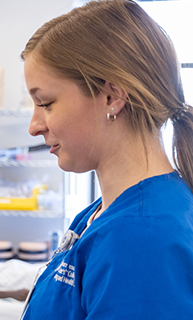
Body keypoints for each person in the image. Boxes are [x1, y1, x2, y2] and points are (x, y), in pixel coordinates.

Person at [20, 0, 193, 318]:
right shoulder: (103, 214)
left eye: (45, 103)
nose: (34, 127)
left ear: (112, 97)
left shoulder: (143, 240)